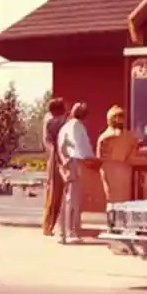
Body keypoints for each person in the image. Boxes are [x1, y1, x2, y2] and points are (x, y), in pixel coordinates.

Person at [56, 102, 97, 244]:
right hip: (74, 163)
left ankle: (63, 232)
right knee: (72, 200)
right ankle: (70, 231)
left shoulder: (66, 126)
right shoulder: (77, 127)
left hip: (66, 162)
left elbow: (61, 146)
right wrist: (92, 158)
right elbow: (82, 146)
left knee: (66, 198)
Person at [96, 105, 140, 203]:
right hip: (110, 170)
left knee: (123, 200)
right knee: (112, 199)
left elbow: (136, 150)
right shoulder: (105, 138)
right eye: (116, 117)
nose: (119, 119)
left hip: (125, 170)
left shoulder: (130, 137)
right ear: (110, 119)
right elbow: (100, 159)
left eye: (121, 117)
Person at [40, 97, 68, 237]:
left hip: (52, 157)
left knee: (51, 193)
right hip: (58, 157)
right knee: (56, 193)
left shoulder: (48, 119)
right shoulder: (57, 121)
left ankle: (48, 225)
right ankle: (49, 225)